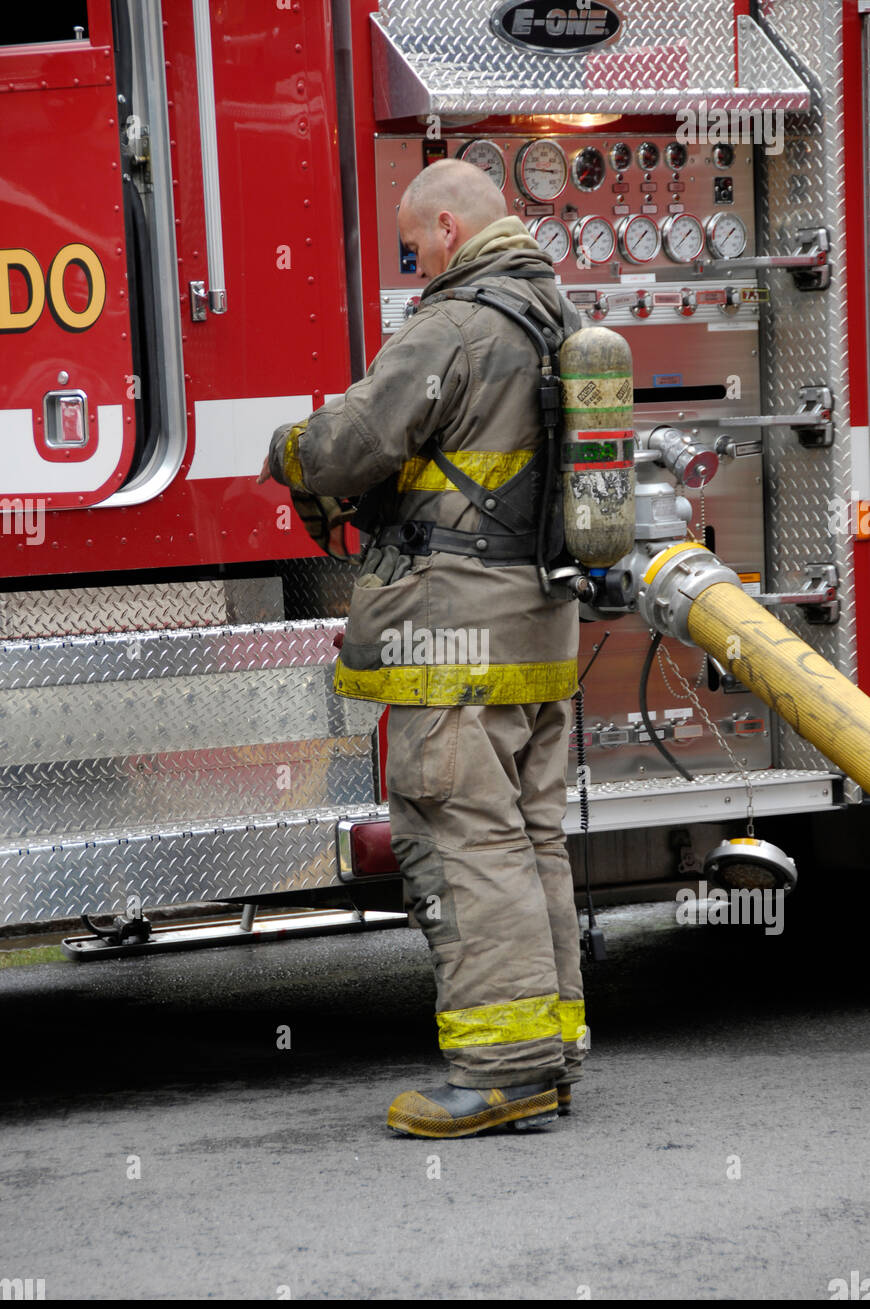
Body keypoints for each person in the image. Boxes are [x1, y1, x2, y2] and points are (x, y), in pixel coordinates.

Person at [261, 158, 588, 1138]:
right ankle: (551, 1047)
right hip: (536, 630)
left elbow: (347, 446)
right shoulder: (556, 316)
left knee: (459, 835)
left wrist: (286, 449)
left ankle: (502, 1070)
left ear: (448, 229)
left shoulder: (455, 325)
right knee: (530, 838)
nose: (413, 265)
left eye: (414, 247)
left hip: (457, 634)